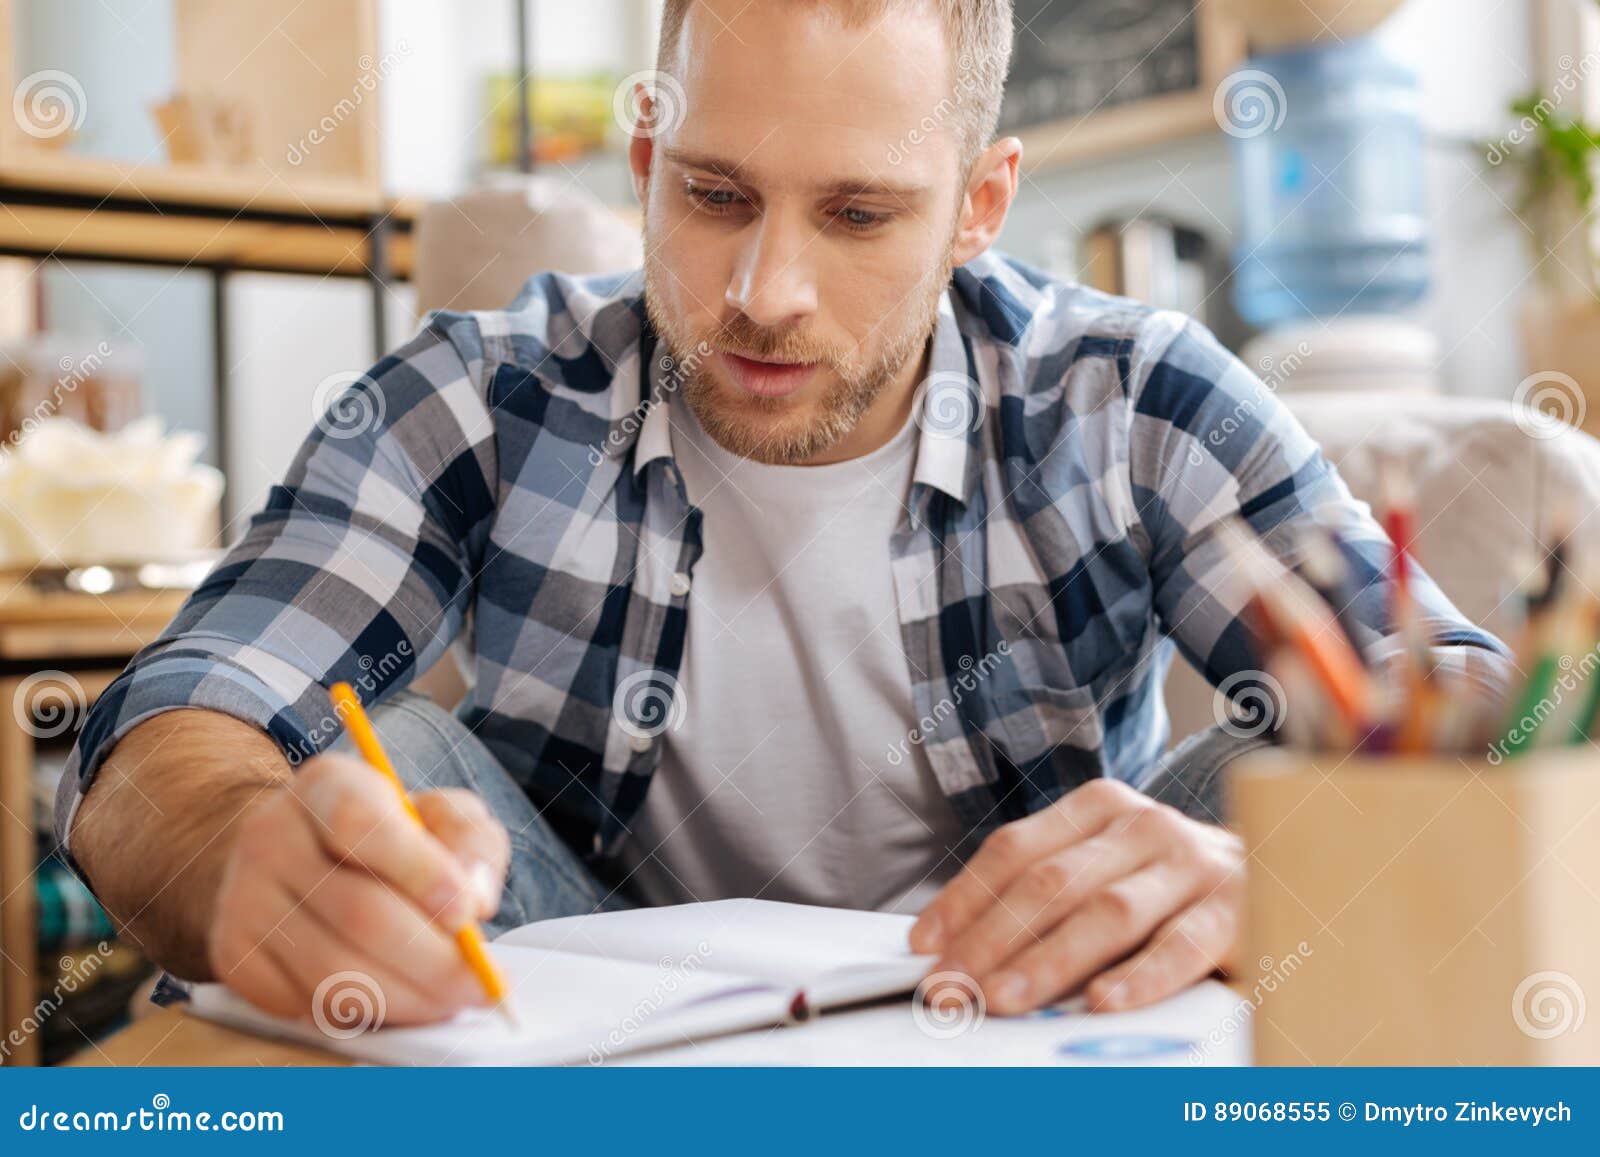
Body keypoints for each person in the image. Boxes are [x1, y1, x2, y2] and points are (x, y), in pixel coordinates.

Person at [58, 0, 1508, 1028]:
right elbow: (173, 721)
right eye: (714, 195)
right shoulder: (483, 393)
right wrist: (235, 854)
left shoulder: (1135, 397)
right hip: (594, 1026)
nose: (766, 294)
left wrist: (1284, 876)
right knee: (389, 760)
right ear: (646, 163)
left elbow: (1471, 707)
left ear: (979, 204)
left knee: (1274, 785)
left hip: (1036, 1014)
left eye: (860, 215)